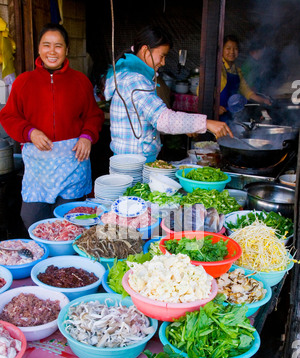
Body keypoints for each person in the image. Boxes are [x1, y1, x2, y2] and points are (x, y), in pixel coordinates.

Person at [0, 23, 104, 229]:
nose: (52, 51)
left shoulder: (80, 82)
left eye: (58, 46)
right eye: (47, 45)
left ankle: (67, 260)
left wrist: (87, 136)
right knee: (33, 220)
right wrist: (30, 132)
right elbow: (9, 116)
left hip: (72, 165)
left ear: (66, 50)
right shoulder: (23, 82)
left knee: (69, 223)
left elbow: (94, 115)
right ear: (38, 49)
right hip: (39, 170)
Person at [104, 25, 233, 163]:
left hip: (134, 159)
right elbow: (162, 119)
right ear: (145, 50)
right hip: (133, 164)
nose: (163, 62)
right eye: (162, 56)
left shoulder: (132, 75)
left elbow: (150, 119)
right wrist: (206, 123)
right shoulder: (134, 80)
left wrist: (187, 126)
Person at [220, 34, 271, 122]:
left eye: (235, 49)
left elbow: (248, 92)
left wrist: (264, 101)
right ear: (221, 50)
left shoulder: (237, 71)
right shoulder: (217, 68)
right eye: (228, 48)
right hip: (216, 115)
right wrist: (214, 107)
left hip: (230, 115)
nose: (232, 52)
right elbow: (201, 92)